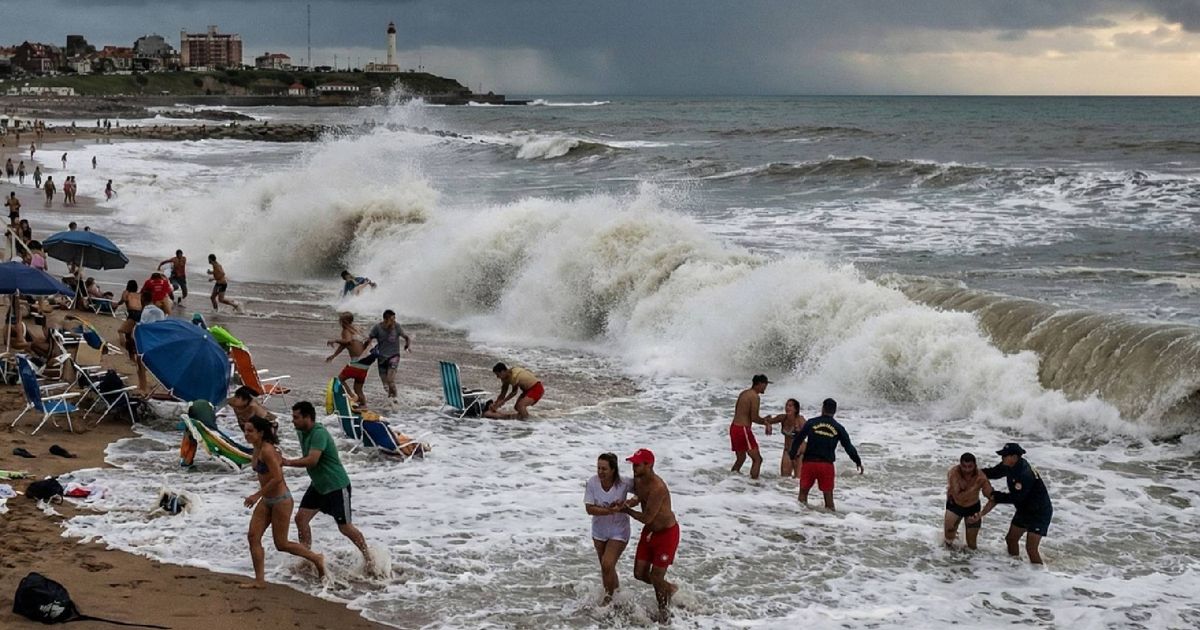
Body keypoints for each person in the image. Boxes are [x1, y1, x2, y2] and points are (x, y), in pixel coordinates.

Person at [282, 401, 374, 572]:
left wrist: (287, 462)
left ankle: (368, 558)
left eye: (296, 417)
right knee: (300, 519)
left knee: (345, 527)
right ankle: (308, 556)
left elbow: (312, 460)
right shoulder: (301, 430)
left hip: (336, 485)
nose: (292, 421)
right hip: (319, 485)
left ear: (308, 418)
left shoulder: (319, 434)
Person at [240, 415, 325, 589]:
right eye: (245, 430)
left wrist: (256, 495)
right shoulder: (256, 448)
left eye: (250, 431)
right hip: (267, 500)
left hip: (281, 500)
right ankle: (259, 580)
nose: (246, 434)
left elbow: (278, 478)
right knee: (253, 537)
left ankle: (316, 558)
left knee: (282, 544)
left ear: (260, 433)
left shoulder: (267, 450)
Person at [619, 449, 679, 620]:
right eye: (633, 464)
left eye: (637, 465)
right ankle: (669, 588)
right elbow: (640, 496)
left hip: (666, 533)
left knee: (656, 576)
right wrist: (632, 501)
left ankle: (664, 613)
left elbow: (646, 518)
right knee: (639, 573)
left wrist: (626, 510)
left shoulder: (658, 487)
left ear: (649, 465)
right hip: (650, 532)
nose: (634, 468)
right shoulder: (639, 479)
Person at [974, 443, 1053, 564]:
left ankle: (1039, 576)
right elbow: (994, 472)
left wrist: (996, 496)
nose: (1002, 458)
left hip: (1039, 512)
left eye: (1005, 456)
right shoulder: (1009, 465)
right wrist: (973, 473)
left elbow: (1017, 498)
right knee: (1011, 539)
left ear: (1015, 457)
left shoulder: (1024, 474)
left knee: (1031, 548)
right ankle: (1015, 567)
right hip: (1024, 509)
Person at [788, 398, 863, 511]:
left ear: (822, 408)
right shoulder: (838, 428)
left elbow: (798, 439)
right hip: (826, 466)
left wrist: (792, 455)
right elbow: (848, 447)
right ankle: (830, 524)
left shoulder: (812, 422)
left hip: (809, 463)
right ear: (835, 411)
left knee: (803, 494)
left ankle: (800, 520)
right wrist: (857, 461)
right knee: (829, 500)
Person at [584, 453, 634, 603]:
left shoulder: (624, 483)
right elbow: (589, 509)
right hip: (599, 531)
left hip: (619, 530)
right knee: (606, 568)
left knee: (607, 564)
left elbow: (642, 494)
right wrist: (610, 511)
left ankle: (608, 600)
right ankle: (617, 596)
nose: (600, 472)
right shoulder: (592, 483)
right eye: (598, 468)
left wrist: (627, 504)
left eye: (604, 469)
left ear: (613, 470)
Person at [730, 374, 775, 480]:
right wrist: (766, 423)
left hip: (734, 428)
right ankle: (754, 484)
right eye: (765, 385)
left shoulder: (744, 393)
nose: (765, 388)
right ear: (759, 384)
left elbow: (745, 414)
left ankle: (732, 480)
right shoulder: (754, 396)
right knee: (758, 459)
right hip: (743, 430)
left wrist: (764, 420)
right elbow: (754, 418)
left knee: (741, 458)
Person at [945, 453, 992, 550]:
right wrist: (974, 486)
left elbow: (993, 498)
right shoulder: (954, 472)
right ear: (960, 465)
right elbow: (958, 494)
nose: (967, 470)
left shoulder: (981, 477)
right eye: (964, 467)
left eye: (970, 467)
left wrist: (981, 514)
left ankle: (970, 564)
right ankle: (948, 562)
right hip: (955, 504)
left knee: (972, 545)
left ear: (975, 465)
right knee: (949, 539)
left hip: (972, 507)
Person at [326, 312, 374, 407]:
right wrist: (334, 355)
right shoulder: (356, 330)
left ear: (344, 322)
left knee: (339, 379)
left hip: (356, 363)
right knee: (358, 388)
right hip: (364, 364)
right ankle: (363, 405)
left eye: (341, 321)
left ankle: (352, 396)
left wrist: (334, 340)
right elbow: (345, 344)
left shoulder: (346, 331)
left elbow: (347, 341)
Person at [366, 309, 410, 404]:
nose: (394, 321)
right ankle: (391, 401)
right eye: (392, 319)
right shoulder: (377, 328)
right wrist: (367, 347)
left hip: (394, 356)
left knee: (391, 381)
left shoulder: (397, 326)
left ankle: (396, 400)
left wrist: (407, 346)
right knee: (386, 385)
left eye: (395, 318)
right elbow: (369, 339)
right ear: (385, 319)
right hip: (381, 358)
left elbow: (406, 337)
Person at [769, 398, 805, 478]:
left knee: (798, 480)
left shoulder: (800, 420)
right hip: (787, 450)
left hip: (800, 453)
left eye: (790, 406)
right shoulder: (783, 418)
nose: (787, 407)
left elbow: (810, 432)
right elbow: (768, 420)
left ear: (796, 409)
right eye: (786, 405)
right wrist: (768, 425)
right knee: (784, 478)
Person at [115, 280, 142, 359]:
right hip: (140, 313)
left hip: (133, 314)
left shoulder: (126, 293)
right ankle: (131, 350)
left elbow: (122, 300)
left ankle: (124, 348)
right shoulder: (139, 294)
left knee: (121, 331)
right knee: (128, 332)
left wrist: (117, 304)